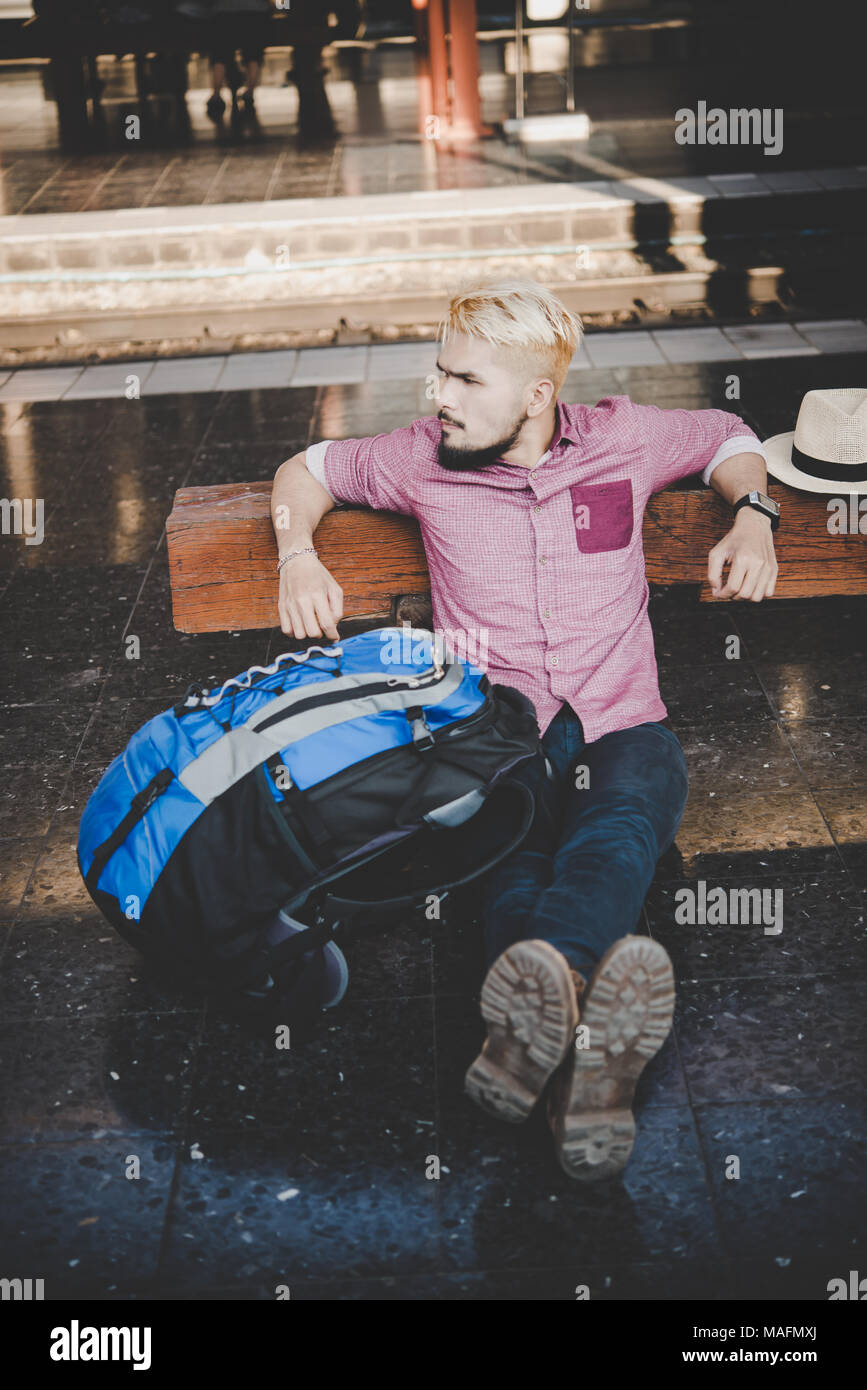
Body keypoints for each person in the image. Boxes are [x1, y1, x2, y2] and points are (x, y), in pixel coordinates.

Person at [269, 279, 779, 1182]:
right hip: (499, 734)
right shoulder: (418, 456)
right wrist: (297, 555)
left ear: (538, 395)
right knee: (513, 858)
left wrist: (755, 516)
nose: (440, 399)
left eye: (465, 382)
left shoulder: (622, 436)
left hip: (622, 718)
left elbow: (728, 439)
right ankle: (585, 1058)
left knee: (617, 831)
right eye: (439, 376)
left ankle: (528, 1035)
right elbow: (308, 469)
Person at [203, 0, 272, 136]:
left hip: (223, 13)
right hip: (256, 12)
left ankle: (216, 94)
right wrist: (284, 8)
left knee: (220, 53)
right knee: (253, 52)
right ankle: (250, 91)